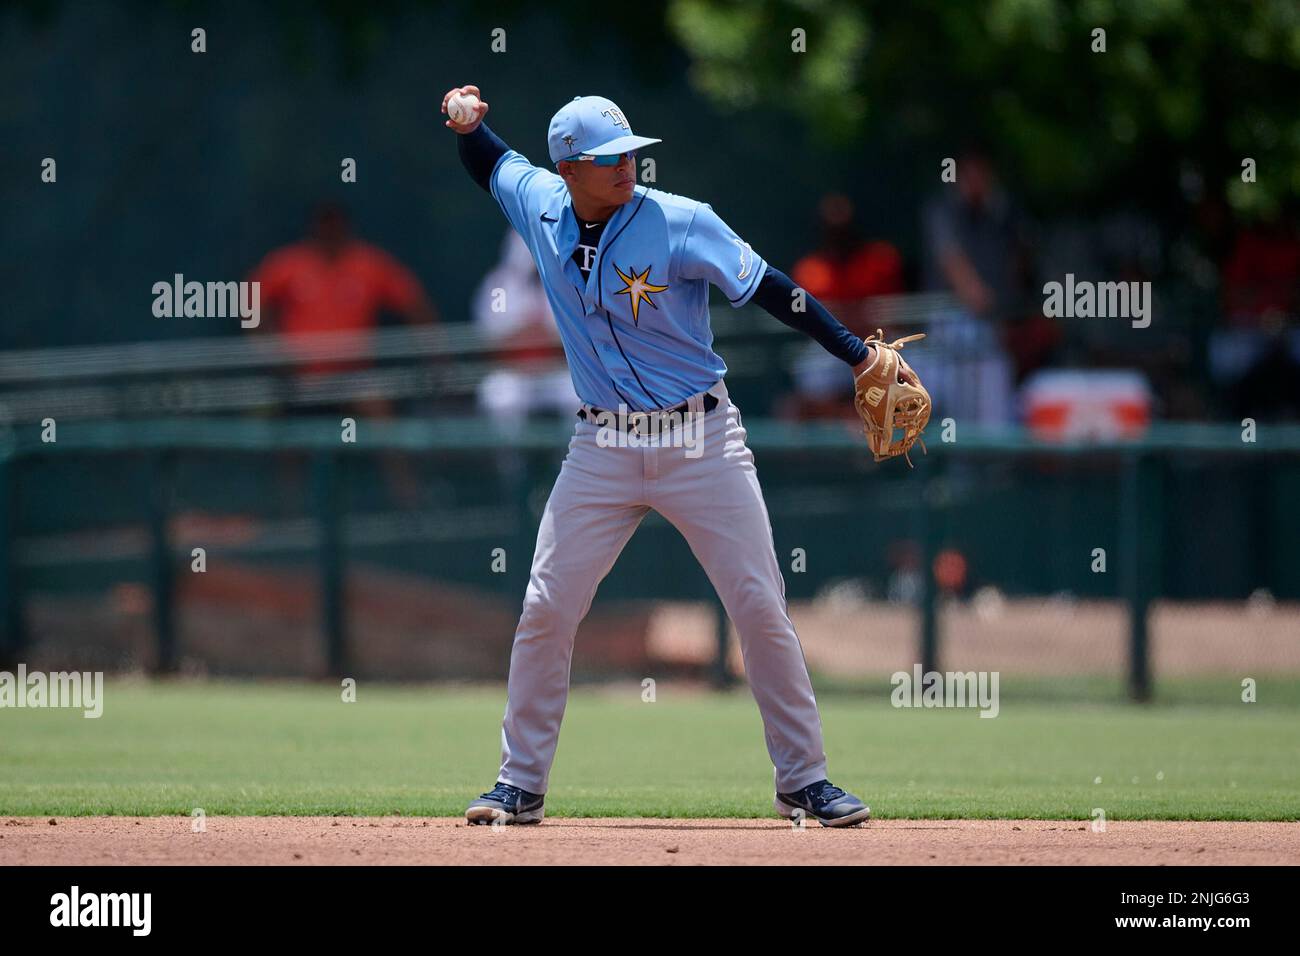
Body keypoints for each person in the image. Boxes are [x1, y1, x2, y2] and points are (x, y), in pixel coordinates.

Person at [444, 85, 902, 828]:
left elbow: (773, 290)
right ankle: (517, 784)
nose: (626, 167)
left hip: (701, 441)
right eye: (607, 160)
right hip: (602, 445)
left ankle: (805, 781)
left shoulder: (681, 221)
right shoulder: (540, 203)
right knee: (546, 606)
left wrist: (854, 355)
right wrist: (470, 122)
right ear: (567, 169)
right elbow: (491, 163)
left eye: (631, 154)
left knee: (758, 606)